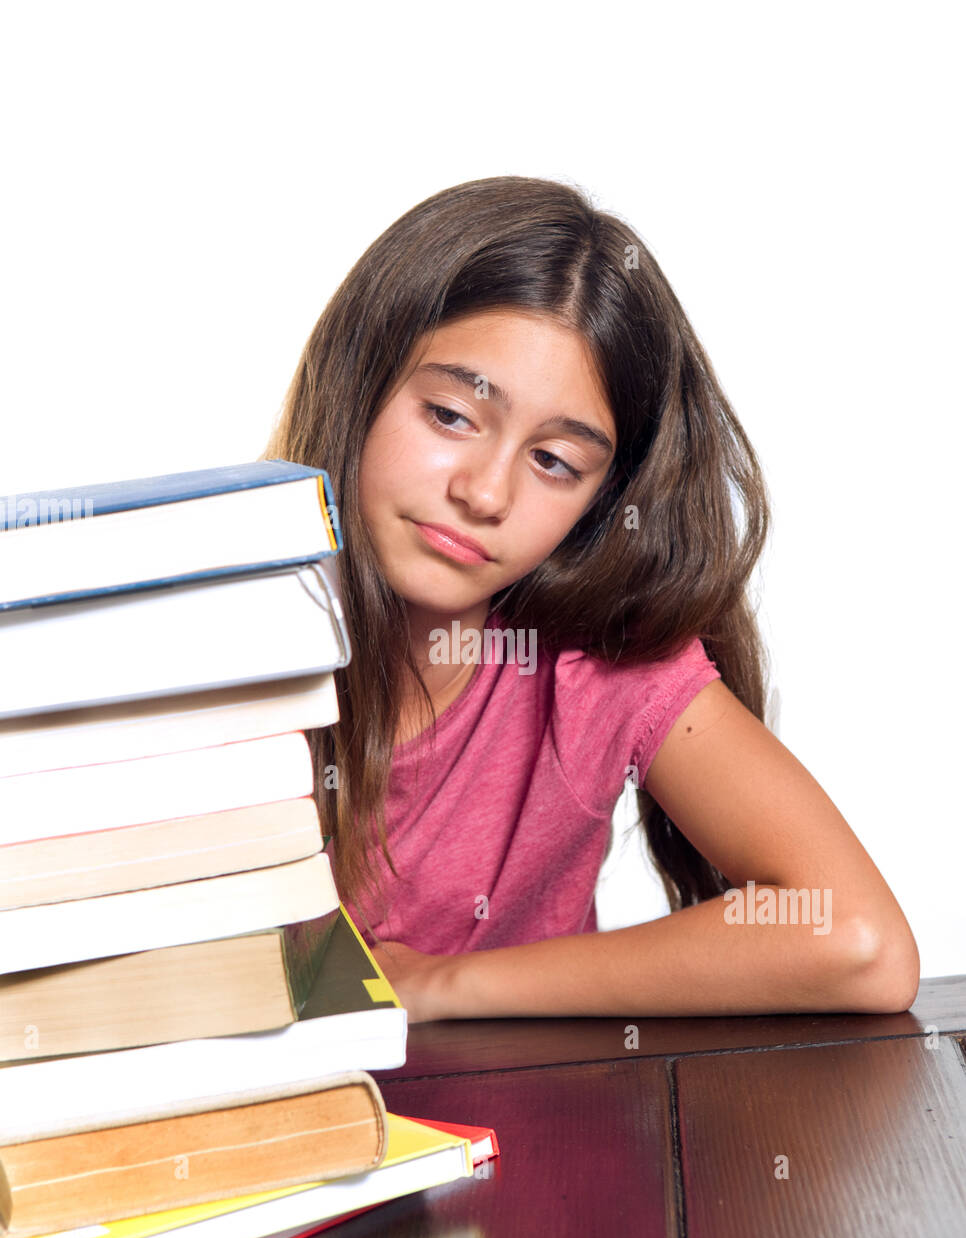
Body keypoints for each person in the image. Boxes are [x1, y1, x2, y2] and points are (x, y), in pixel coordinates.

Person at [261, 175, 919, 1023]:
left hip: (531, 1139)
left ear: (600, 504)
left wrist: (441, 984)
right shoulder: (212, 643)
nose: (486, 492)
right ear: (360, 384)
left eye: (555, 463)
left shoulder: (590, 672)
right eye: (453, 415)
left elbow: (857, 938)